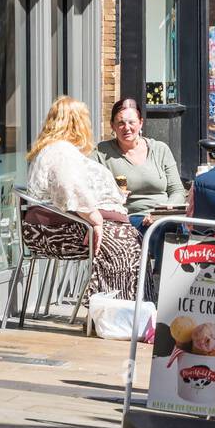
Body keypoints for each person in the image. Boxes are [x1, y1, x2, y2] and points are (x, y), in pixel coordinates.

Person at [24, 96, 143, 301]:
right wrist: (95, 221)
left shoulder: (57, 149)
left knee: (132, 240)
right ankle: (116, 311)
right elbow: (69, 188)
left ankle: (130, 309)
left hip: (61, 225)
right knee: (124, 246)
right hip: (56, 231)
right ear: (77, 123)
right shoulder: (61, 151)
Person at [93, 99, 186, 229]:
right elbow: (88, 188)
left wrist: (163, 213)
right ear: (112, 126)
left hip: (163, 216)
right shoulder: (101, 152)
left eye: (132, 122)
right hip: (128, 218)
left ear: (141, 123)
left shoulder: (160, 149)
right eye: (120, 123)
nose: (127, 128)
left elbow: (177, 191)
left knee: (179, 231)